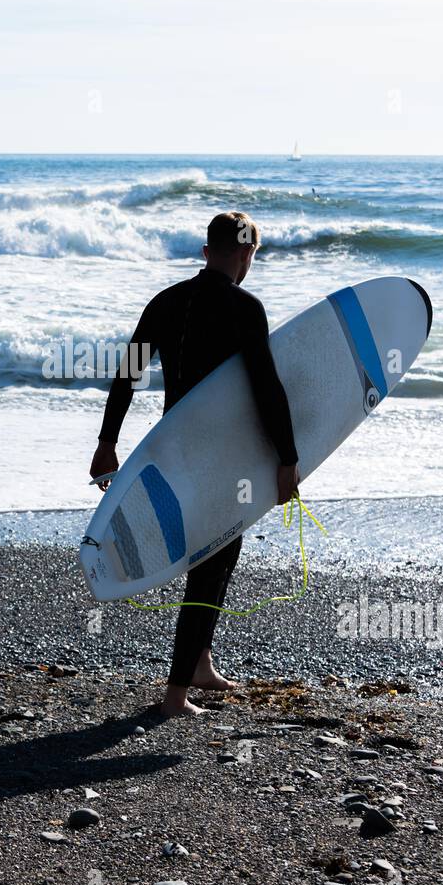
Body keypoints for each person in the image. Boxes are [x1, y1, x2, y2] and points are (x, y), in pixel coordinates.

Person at [89, 211, 300, 718]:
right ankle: (174, 696)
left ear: (208, 251)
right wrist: (288, 458)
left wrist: (107, 443)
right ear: (246, 253)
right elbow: (266, 388)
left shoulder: (165, 301)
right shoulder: (246, 307)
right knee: (210, 563)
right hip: (221, 457)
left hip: (173, 451)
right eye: (251, 255)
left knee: (222, 552)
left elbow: (127, 375)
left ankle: (200, 662)